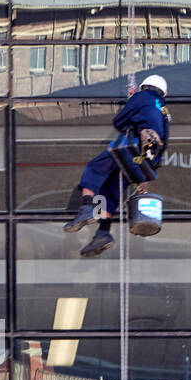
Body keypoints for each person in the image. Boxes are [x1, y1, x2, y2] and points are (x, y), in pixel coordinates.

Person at [64, 73, 170, 257]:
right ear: (163, 92)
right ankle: (103, 233)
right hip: (145, 161)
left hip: (131, 148)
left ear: (145, 87)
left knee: (95, 168)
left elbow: (118, 121)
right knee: (109, 190)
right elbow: (164, 144)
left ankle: (87, 207)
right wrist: (146, 174)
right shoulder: (165, 113)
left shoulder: (141, 97)